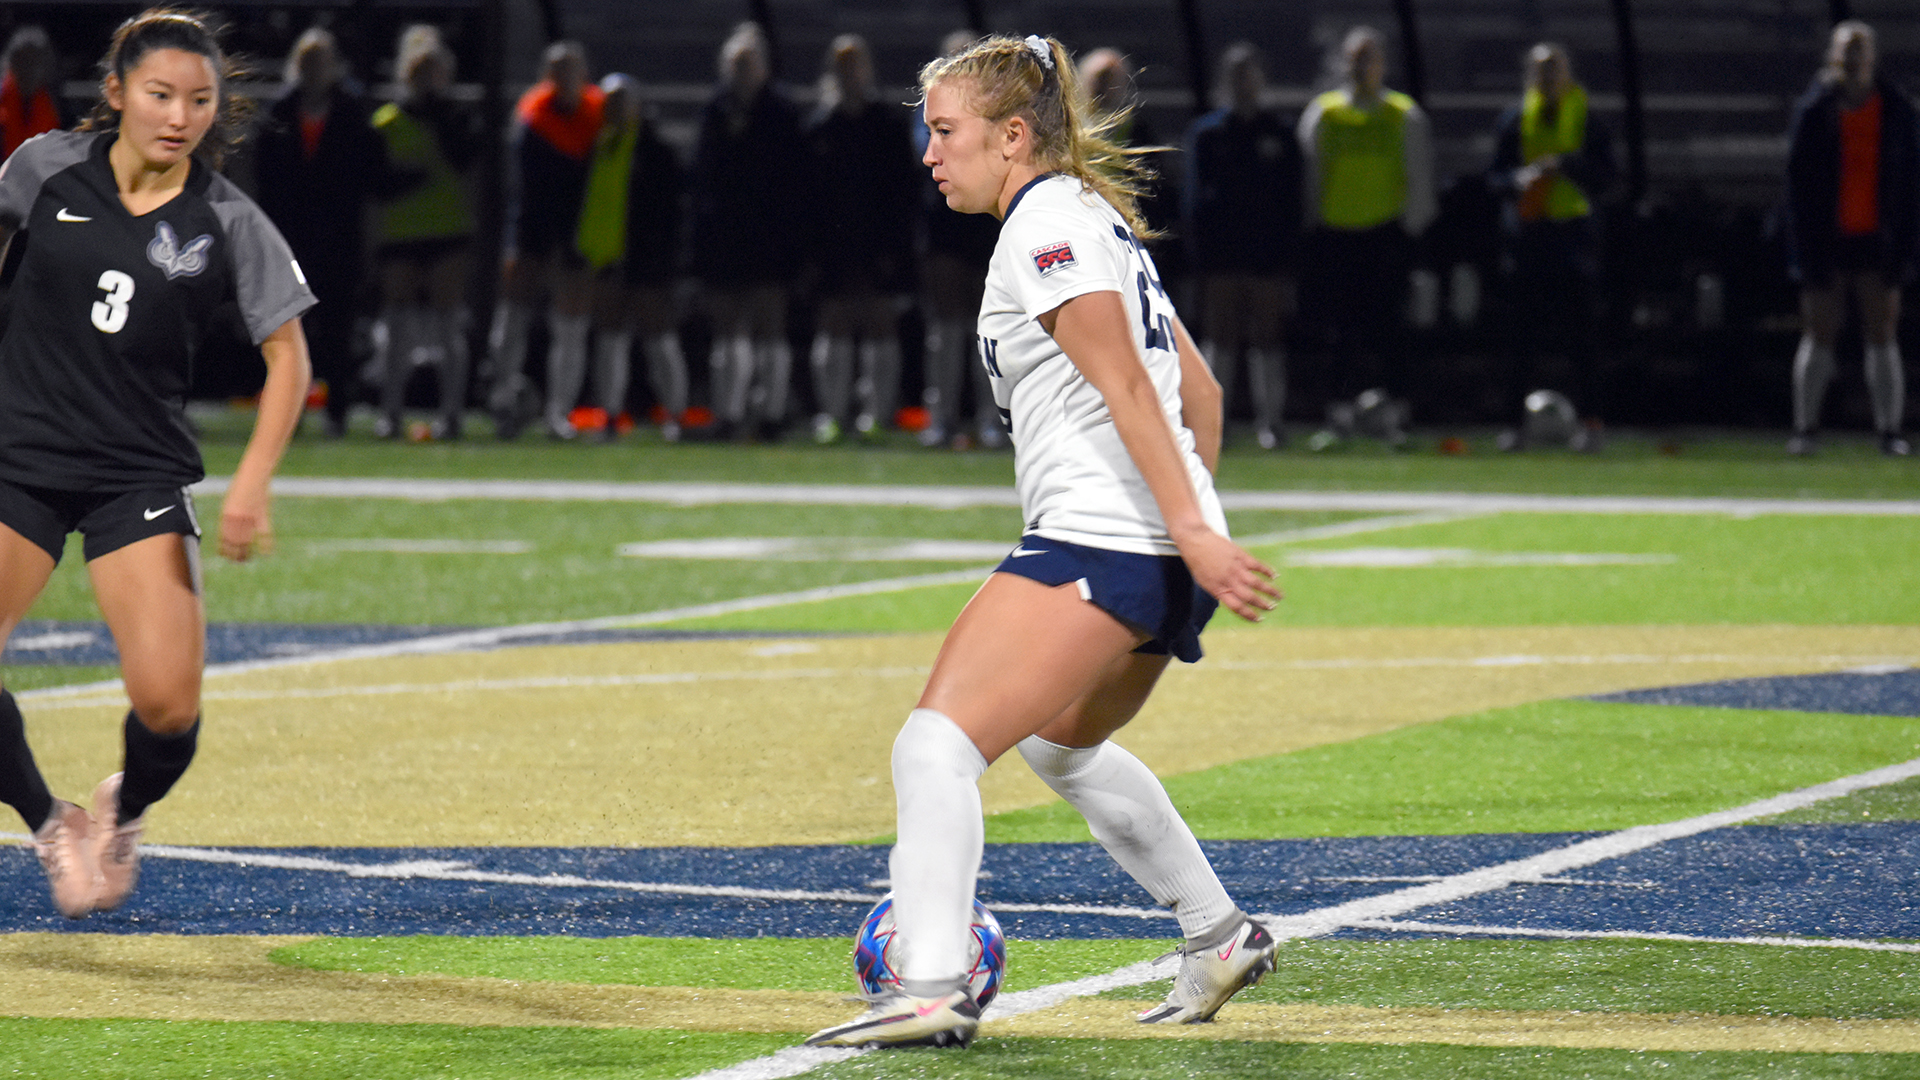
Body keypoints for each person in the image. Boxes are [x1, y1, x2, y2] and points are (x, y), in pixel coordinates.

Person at [808, 33, 1281, 1050]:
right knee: (1061, 745)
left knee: (932, 747)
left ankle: (930, 984)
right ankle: (1218, 932)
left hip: (1105, 542)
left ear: (1013, 135)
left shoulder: (1045, 225)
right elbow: (1201, 392)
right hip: (1147, 548)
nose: (930, 155)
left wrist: (1181, 532)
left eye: (945, 132)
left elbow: (1122, 383)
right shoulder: (1089, 216)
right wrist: (1187, 528)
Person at [0, 9, 313, 917]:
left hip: (134, 474)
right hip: (17, 462)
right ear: (116, 94)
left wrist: (251, 482)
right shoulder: (39, 170)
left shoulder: (225, 218)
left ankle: (120, 807)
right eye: (160, 94)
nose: (179, 115)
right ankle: (49, 821)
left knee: (170, 710)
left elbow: (289, 357)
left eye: (200, 100)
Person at [1783, 20, 1916, 457]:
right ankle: (1806, 429)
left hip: (1877, 236)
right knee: (1820, 330)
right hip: (1828, 235)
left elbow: (1910, 181)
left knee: (1882, 331)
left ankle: (1888, 430)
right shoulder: (1816, 109)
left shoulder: (1895, 108)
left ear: (1873, 57)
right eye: (1847, 50)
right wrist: (1803, 247)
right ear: (1834, 56)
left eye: (1862, 50)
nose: (1855, 59)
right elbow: (1797, 185)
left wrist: (1904, 243)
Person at [1297, 27, 1434, 443]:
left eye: (1369, 57)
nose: (1361, 66)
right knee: (1340, 331)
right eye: (1354, 57)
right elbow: (1310, 176)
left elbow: (1420, 178)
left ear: (1383, 63)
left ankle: (1398, 416)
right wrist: (1313, 226)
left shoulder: (1402, 114)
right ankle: (1337, 416)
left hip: (1384, 236)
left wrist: (1408, 230)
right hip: (1337, 236)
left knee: (1390, 329)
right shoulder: (1324, 113)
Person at [1487, 43, 1615, 450]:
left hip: (1573, 239)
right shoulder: (1513, 120)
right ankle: (1513, 426)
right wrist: (1518, 181)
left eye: (1554, 69)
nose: (1546, 77)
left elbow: (1608, 176)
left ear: (1568, 74)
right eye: (1539, 70)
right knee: (1520, 339)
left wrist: (1567, 165)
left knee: (1583, 338)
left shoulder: (1588, 121)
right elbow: (1493, 178)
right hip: (1528, 240)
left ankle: (1591, 423)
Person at [253, 26, 378, 439]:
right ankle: (290, 412)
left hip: (339, 239)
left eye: (321, 62)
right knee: (290, 333)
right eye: (307, 62)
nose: (314, 71)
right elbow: (265, 181)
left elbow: (366, 175)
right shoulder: (279, 113)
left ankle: (336, 411)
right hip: (291, 238)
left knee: (338, 330)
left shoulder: (350, 113)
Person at [1183, 42, 1302, 450]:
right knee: (1221, 336)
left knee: (1268, 337)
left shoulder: (1280, 134)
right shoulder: (1208, 134)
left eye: (1248, 74)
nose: (1243, 83)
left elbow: (1292, 198)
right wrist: (1202, 258)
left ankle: (1271, 423)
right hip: (1223, 256)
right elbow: (1195, 202)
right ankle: (1213, 422)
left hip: (1267, 252)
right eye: (1235, 75)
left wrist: (1287, 252)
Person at [689, 22, 803, 440]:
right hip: (725, 233)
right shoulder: (715, 110)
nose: (742, 72)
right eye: (735, 64)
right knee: (728, 326)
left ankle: (772, 413)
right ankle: (730, 412)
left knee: (770, 324)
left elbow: (794, 182)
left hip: (769, 233)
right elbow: (702, 177)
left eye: (749, 64)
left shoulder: (781, 113)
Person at [368, 24, 482, 441]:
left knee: (447, 322)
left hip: (447, 229)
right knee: (397, 323)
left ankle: (452, 412)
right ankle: (391, 411)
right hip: (402, 233)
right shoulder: (388, 121)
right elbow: (376, 182)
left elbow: (467, 164)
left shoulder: (457, 118)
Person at [802, 34, 918, 444]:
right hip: (833, 243)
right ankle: (832, 414)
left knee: (880, 323)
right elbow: (808, 197)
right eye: (842, 64)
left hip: (878, 241)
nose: (850, 73)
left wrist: (895, 250)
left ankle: (875, 416)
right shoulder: (819, 126)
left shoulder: (886, 125)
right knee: (832, 324)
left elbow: (902, 192)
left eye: (856, 63)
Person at [488, 40, 603, 440]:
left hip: (579, 230)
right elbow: (533, 185)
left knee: (570, 325)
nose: (565, 79)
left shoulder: (596, 113)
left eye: (572, 69)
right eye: (557, 70)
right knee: (514, 316)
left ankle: (560, 411)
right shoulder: (534, 114)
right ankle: (503, 401)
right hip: (534, 226)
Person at [576, 74, 687, 441]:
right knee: (609, 339)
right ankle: (609, 414)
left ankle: (674, 414)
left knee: (658, 338)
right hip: (606, 258)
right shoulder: (597, 147)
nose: (615, 110)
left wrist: (658, 261)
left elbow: (667, 214)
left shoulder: (655, 150)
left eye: (622, 102)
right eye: (609, 103)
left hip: (645, 261)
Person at [914, 29, 1003, 451]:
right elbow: (929, 152)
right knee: (948, 326)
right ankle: (942, 417)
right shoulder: (932, 110)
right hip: (947, 224)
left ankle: (991, 419)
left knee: (991, 326)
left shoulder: (996, 111)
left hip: (987, 223)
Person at [1, 27, 66, 160]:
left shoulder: (60, 105)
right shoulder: (3, 96)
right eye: (22, 60)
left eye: (35, 61)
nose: (28, 68)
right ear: (12, 62)